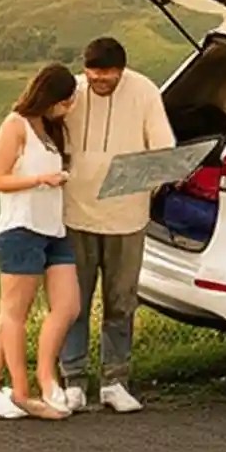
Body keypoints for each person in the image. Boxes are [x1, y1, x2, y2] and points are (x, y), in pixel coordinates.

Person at [57, 37, 176, 413]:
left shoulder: (144, 92)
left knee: (120, 303)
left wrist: (149, 189)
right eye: (93, 71)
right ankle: (72, 381)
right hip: (75, 215)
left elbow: (163, 149)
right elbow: (39, 127)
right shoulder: (73, 91)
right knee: (73, 303)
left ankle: (115, 381)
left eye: (107, 73)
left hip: (127, 219)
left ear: (121, 70)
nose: (99, 79)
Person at [0, 63, 81, 421]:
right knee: (14, 314)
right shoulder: (15, 124)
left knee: (67, 307)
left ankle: (32, 377)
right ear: (49, 97)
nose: (68, 107)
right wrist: (41, 180)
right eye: (65, 102)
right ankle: (21, 393)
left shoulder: (49, 128)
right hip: (21, 228)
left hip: (54, 228)